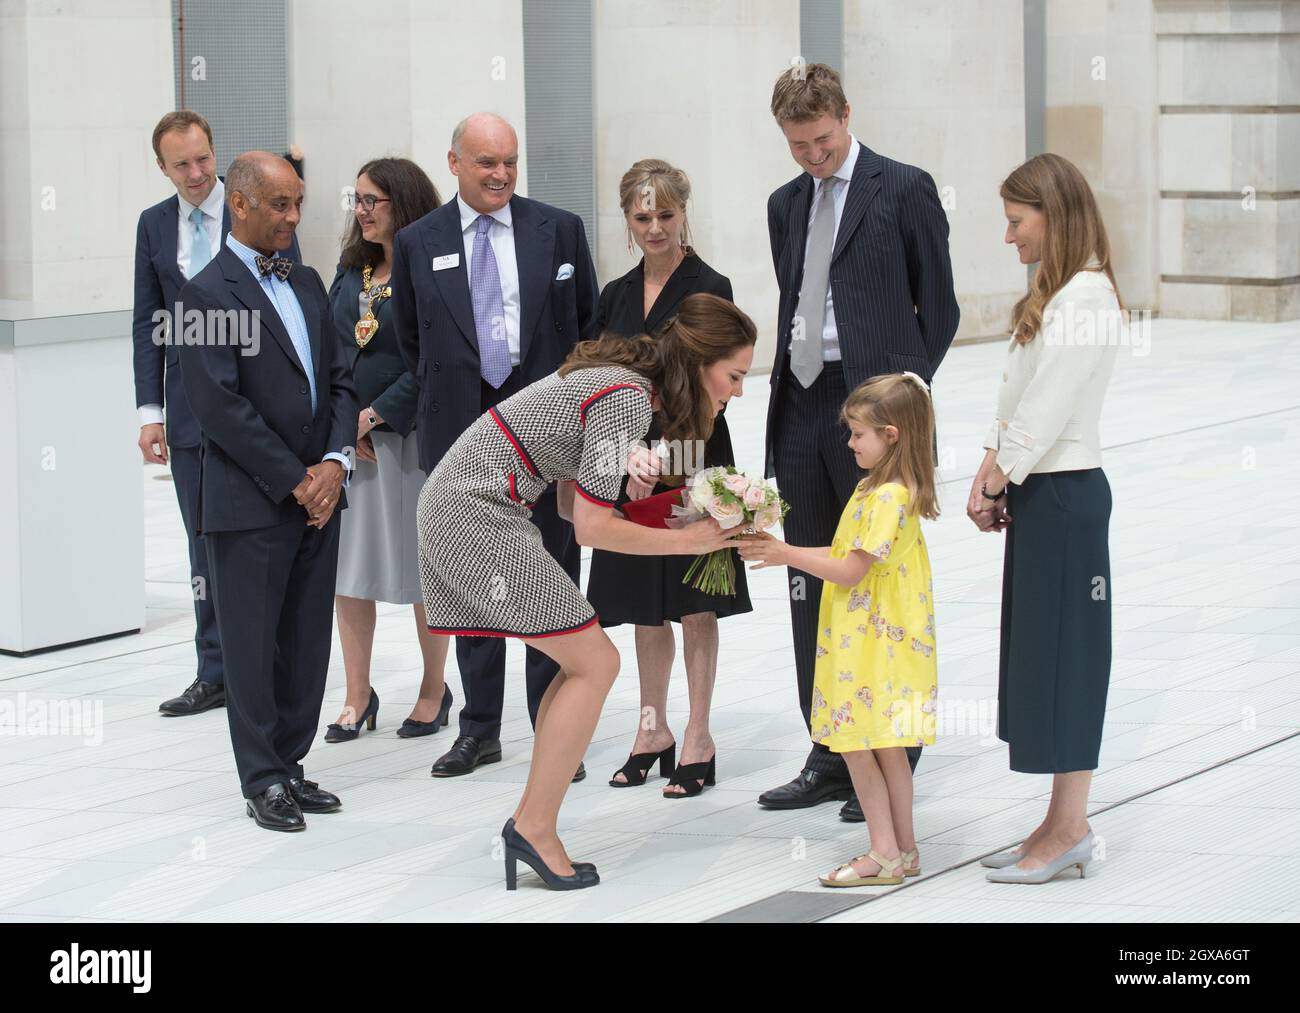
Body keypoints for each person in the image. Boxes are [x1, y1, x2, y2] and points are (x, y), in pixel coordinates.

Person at [417, 293, 756, 889]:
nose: (740, 390)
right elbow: (594, 528)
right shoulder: (627, 397)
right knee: (596, 661)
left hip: (475, 506)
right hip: (475, 513)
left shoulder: (625, 385)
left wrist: (649, 495)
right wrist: (691, 540)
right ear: (701, 361)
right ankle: (535, 827)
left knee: (584, 662)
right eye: (735, 375)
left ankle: (531, 820)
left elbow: (574, 503)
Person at [761, 63, 959, 821]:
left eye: (821, 139)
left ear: (847, 113)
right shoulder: (784, 205)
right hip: (803, 407)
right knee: (809, 575)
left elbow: (937, 308)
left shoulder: (903, 187)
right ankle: (832, 748)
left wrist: (898, 407)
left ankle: (890, 751)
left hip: (877, 408)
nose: (812, 156)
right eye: (797, 145)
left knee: (875, 580)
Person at [392, 112, 598, 780]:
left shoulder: (559, 230)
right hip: (463, 439)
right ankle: (479, 727)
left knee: (551, 578)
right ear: (453, 163)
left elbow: (589, 335)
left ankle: (553, 727)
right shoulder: (418, 242)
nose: (501, 174)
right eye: (486, 163)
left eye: (510, 161)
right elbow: (412, 343)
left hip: (548, 441)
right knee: (470, 583)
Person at [177, 152, 358, 832]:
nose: (293, 217)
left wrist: (335, 464)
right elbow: (219, 407)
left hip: (321, 495)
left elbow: (341, 379)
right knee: (252, 647)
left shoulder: (308, 281)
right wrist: (296, 478)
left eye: (299, 202)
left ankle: (291, 762)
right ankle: (262, 779)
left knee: (306, 640)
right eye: (280, 204)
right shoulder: (202, 294)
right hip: (251, 501)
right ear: (242, 203)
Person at [969, 153, 1121, 883]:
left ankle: (1069, 830)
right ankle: (1060, 821)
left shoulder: (1085, 297)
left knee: (1070, 662)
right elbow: (1017, 399)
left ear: (1052, 216)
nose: (1008, 235)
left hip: (1064, 495)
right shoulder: (1057, 293)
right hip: (1043, 494)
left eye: (1016, 219)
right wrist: (988, 468)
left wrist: (998, 478)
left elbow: (1051, 403)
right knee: (1044, 659)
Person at [585, 159, 752, 798]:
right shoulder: (617, 294)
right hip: (627, 463)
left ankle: (700, 735)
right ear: (627, 220)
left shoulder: (710, 284)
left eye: (665, 214)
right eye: (641, 216)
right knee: (642, 609)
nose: (655, 227)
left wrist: (664, 457)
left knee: (693, 601)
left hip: (694, 452)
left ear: (685, 213)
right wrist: (618, 456)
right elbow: (597, 380)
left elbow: (717, 386)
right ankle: (652, 730)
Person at [132, 111, 302, 718]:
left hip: (258, 409)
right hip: (187, 413)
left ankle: (270, 665)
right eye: (182, 164)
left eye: (203, 158)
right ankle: (215, 670)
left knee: (264, 542)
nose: (196, 172)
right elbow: (148, 323)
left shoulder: (258, 214)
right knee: (203, 545)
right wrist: (149, 410)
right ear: (163, 168)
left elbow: (291, 305)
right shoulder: (154, 227)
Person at [740, 373, 939, 886]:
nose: (848, 443)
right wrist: (783, 550)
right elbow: (845, 555)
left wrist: (785, 554)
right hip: (876, 640)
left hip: (870, 645)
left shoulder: (888, 496)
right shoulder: (876, 488)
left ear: (891, 435)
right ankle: (905, 849)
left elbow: (851, 571)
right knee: (888, 745)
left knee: (856, 743)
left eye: (857, 434)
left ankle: (881, 853)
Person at [324, 157, 453, 743]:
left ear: (403, 203)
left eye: (373, 200)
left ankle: (433, 688)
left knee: (426, 567)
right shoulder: (352, 270)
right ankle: (357, 693)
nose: (362, 210)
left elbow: (434, 358)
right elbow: (330, 350)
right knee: (350, 571)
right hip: (355, 445)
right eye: (357, 200)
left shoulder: (431, 269)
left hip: (413, 438)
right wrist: (345, 423)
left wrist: (376, 415)